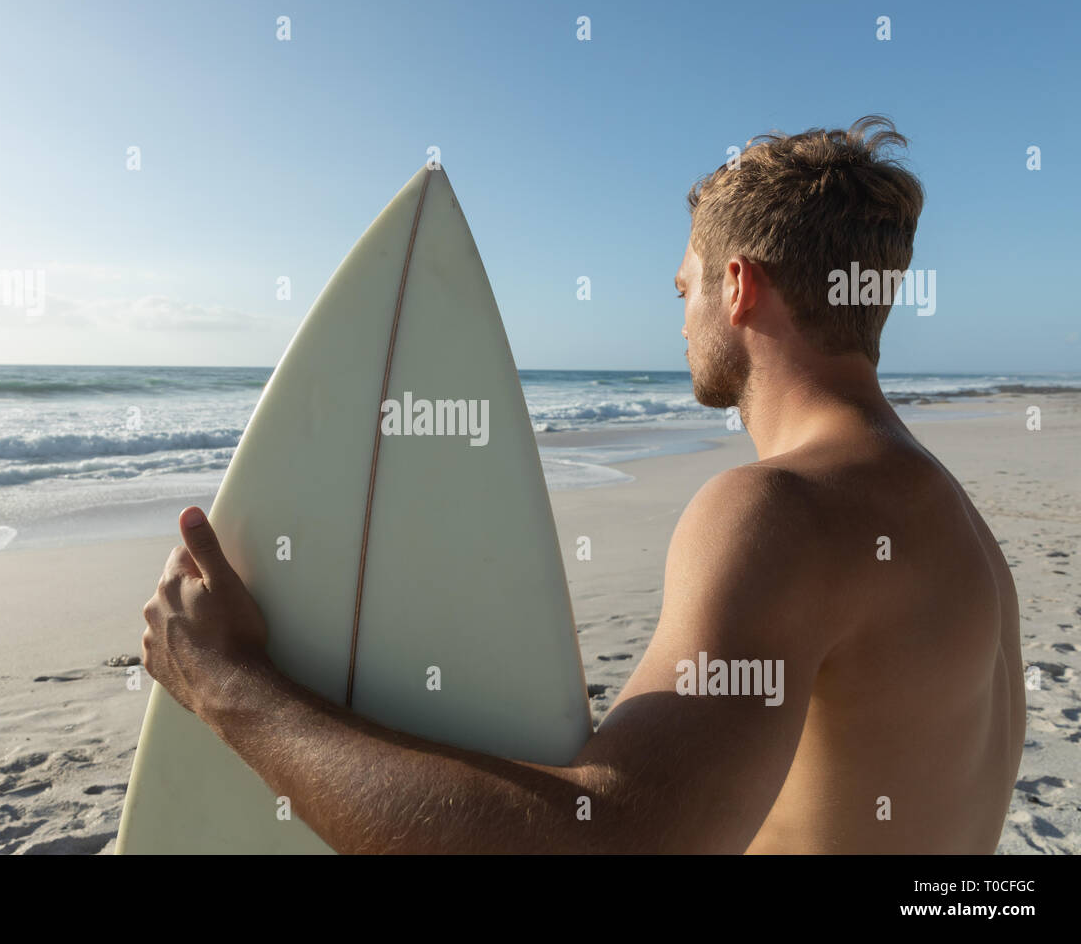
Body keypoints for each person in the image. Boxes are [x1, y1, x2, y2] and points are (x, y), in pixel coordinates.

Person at [141, 116, 1024, 853]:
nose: (679, 320)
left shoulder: (782, 514)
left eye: (683, 291)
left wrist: (228, 683)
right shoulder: (955, 526)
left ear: (737, 286)